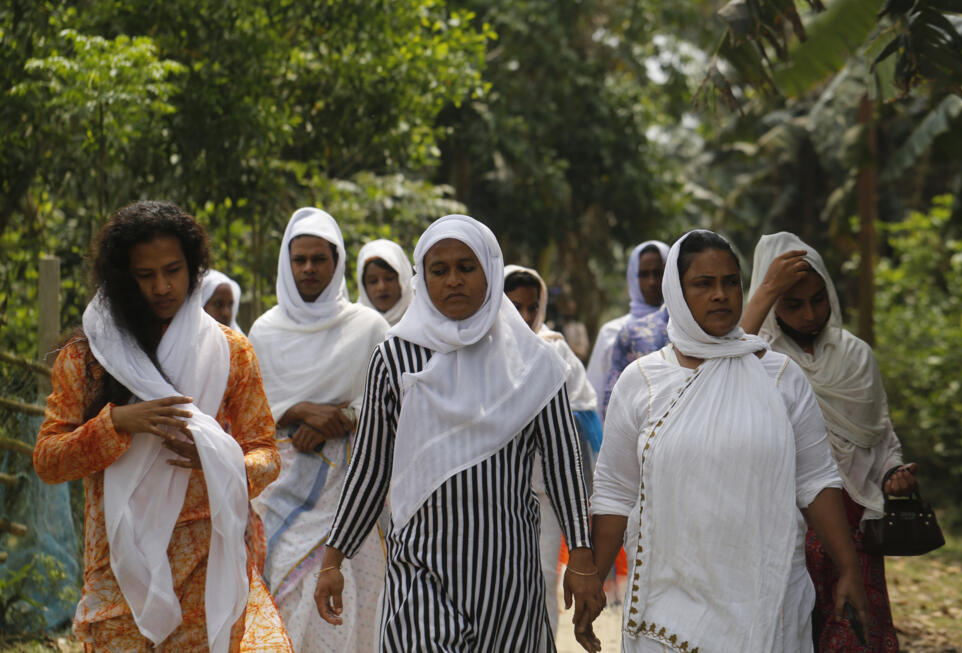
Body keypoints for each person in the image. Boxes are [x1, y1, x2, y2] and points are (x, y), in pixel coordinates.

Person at [315, 215, 605, 652]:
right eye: (439, 270)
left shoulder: (535, 362)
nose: (453, 280)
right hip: (419, 570)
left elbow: (564, 463)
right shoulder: (393, 359)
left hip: (509, 580)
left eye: (466, 268)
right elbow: (371, 468)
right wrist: (334, 557)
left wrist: (581, 558)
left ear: (489, 270)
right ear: (422, 277)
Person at [589, 229, 870, 652]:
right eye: (704, 284)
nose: (721, 295)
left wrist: (848, 568)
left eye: (730, 282)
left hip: (766, 599)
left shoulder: (780, 377)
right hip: (668, 606)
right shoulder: (643, 381)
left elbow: (815, 481)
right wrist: (593, 578)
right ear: (677, 293)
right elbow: (614, 492)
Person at [33, 200, 290, 651]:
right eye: (145, 275)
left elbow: (267, 455)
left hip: (207, 568)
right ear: (121, 278)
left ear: (195, 269)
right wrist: (117, 423)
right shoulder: (86, 356)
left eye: (173, 270)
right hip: (118, 572)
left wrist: (221, 460)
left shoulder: (231, 351)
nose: (162, 287)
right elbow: (49, 462)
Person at [744, 232, 917, 652]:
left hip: (852, 526)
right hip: (782, 527)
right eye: (792, 303)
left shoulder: (856, 356)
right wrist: (766, 291)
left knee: (855, 634)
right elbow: (715, 371)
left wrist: (893, 472)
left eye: (818, 299)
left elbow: (880, 436)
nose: (809, 313)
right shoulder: (756, 360)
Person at [249, 207, 389, 652]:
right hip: (281, 483)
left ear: (337, 262)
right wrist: (299, 412)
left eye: (318, 259)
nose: (308, 269)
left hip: (351, 486)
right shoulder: (265, 331)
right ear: (286, 264)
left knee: (351, 593)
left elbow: (392, 398)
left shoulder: (369, 327)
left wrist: (344, 418)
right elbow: (251, 408)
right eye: (299, 260)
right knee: (283, 589)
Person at [504, 264, 603, 635]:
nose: (525, 317)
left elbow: (582, 413)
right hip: (492, 491)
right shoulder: (478, 349)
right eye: (514, 307)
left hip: (543, 491)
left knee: (542, 578)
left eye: (533, 308)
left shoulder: (555, 349)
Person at [585, 240, 670, 408]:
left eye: (658, 273)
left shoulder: (684, 329)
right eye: (644, 274)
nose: (652, 282)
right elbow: (595, 390)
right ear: (632, 276)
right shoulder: (613, 331)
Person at [355, 238, 413, 326]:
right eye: (373, 281)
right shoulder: (353, 325)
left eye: (389, 278)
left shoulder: (424, 320)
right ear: (363, 286)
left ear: (403, 279)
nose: (382, 287)